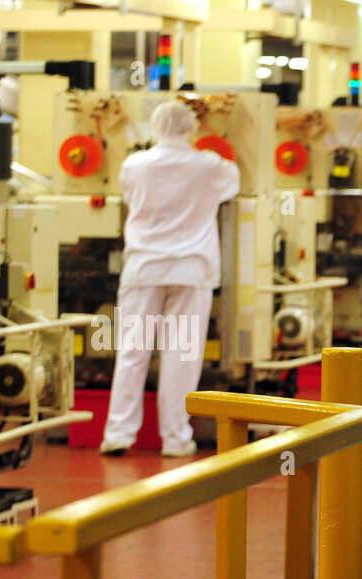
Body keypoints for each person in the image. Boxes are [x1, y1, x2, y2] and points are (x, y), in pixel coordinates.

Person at [100, 100, 240, 457]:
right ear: (191, 128)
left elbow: (130, 198)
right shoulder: (210, 166)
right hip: (191, 271)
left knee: (133, 350)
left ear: (155, 127)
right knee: (182, 354)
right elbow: (233, 185)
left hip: (144, 268)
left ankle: (118, 433)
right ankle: (176, 439)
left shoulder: (134, 165)